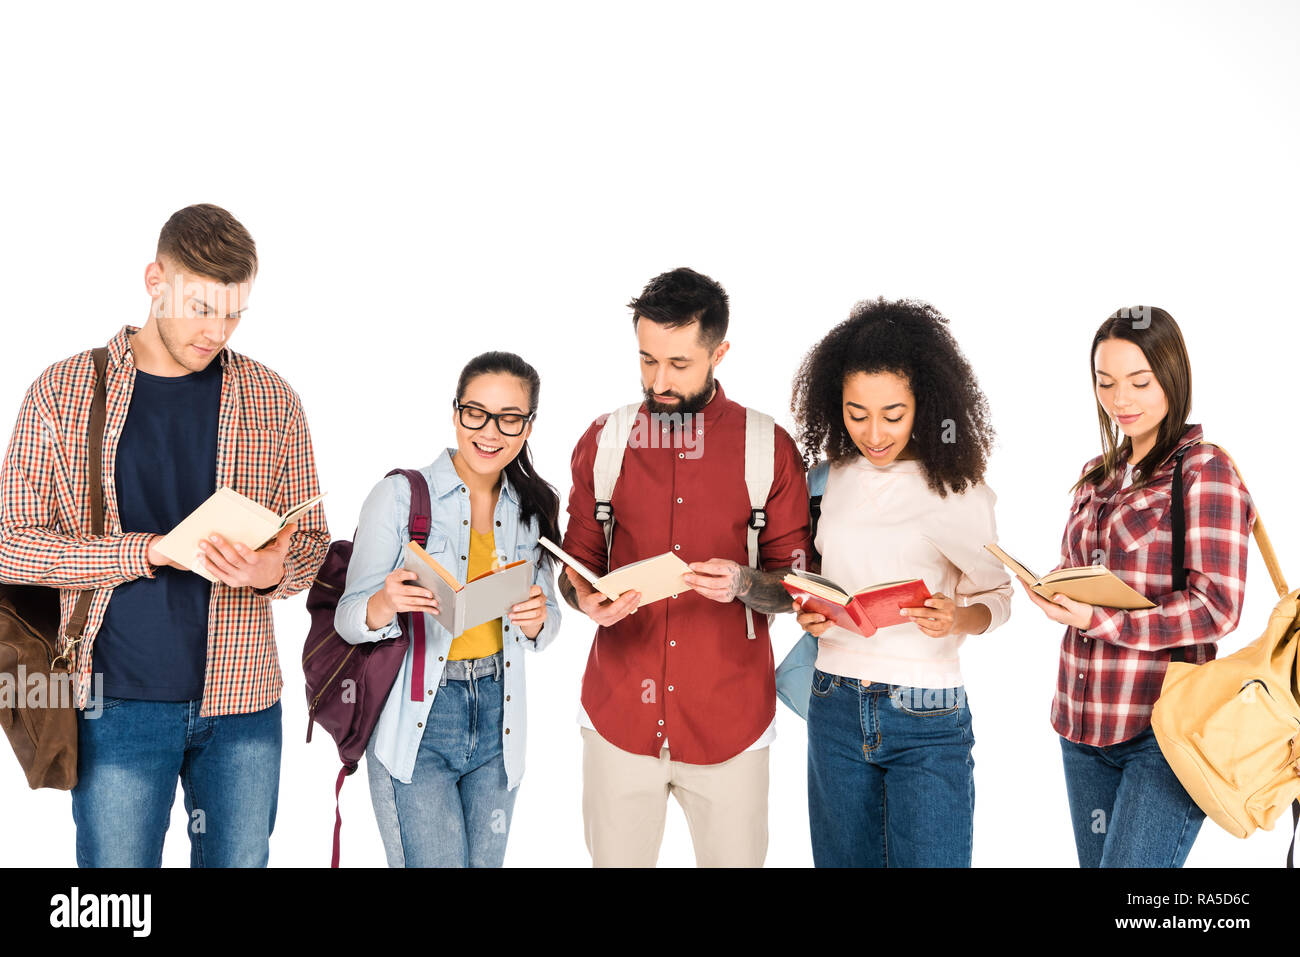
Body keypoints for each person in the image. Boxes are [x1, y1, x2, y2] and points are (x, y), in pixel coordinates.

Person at [0, 203, 330, 867]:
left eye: (234, 311)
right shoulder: (64, 391)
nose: (217, 330)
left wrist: (272, 571)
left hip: (243, 704)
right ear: (156, 280)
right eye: (201, 306)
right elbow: (11, 544)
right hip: (113, 701)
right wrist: (146, 550)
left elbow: (314, 542)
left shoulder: (273, 398)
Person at [559, 266, 812, 868]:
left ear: (720, 351)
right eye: (647, 360)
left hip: (731, 726)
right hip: (618, 716)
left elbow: (799, 586)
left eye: (678, 364)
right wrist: (583, 599)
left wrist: (745, 583)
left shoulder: (766, 446)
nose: (659, 379)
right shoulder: (606, 440)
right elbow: (578, 565)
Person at [1020, 305, 1254, 868]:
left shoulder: (1204, 471)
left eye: (1139, 382)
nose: (1120, 399)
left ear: (1172, 377)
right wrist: (1056, 589)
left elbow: (1216, 609)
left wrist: (1097, 620)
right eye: (1105, 382)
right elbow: (1092, 575)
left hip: (1163, 730)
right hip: (1082, 724)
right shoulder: (1096, 473)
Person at [790, 297, 1012, 867]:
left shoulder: (956, 491)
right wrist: (812, 610)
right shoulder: (828, 479)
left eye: (893, 414)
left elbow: (997, 595)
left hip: (926, 711)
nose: (874, 433)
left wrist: (958, 616)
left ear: (926, 404)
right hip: (833, 700)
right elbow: (822, 576)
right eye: (855, 413)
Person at [335, 351, 561, 867]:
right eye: (475, 413)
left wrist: (539, 618)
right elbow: (348, 618)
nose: (489, 431)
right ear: (455, 412)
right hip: (420, 716)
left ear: (528, 426)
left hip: (500, 720)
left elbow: (546, 619)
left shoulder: (532, 509)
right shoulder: (397, 497)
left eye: (509, 418)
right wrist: (385, 602)